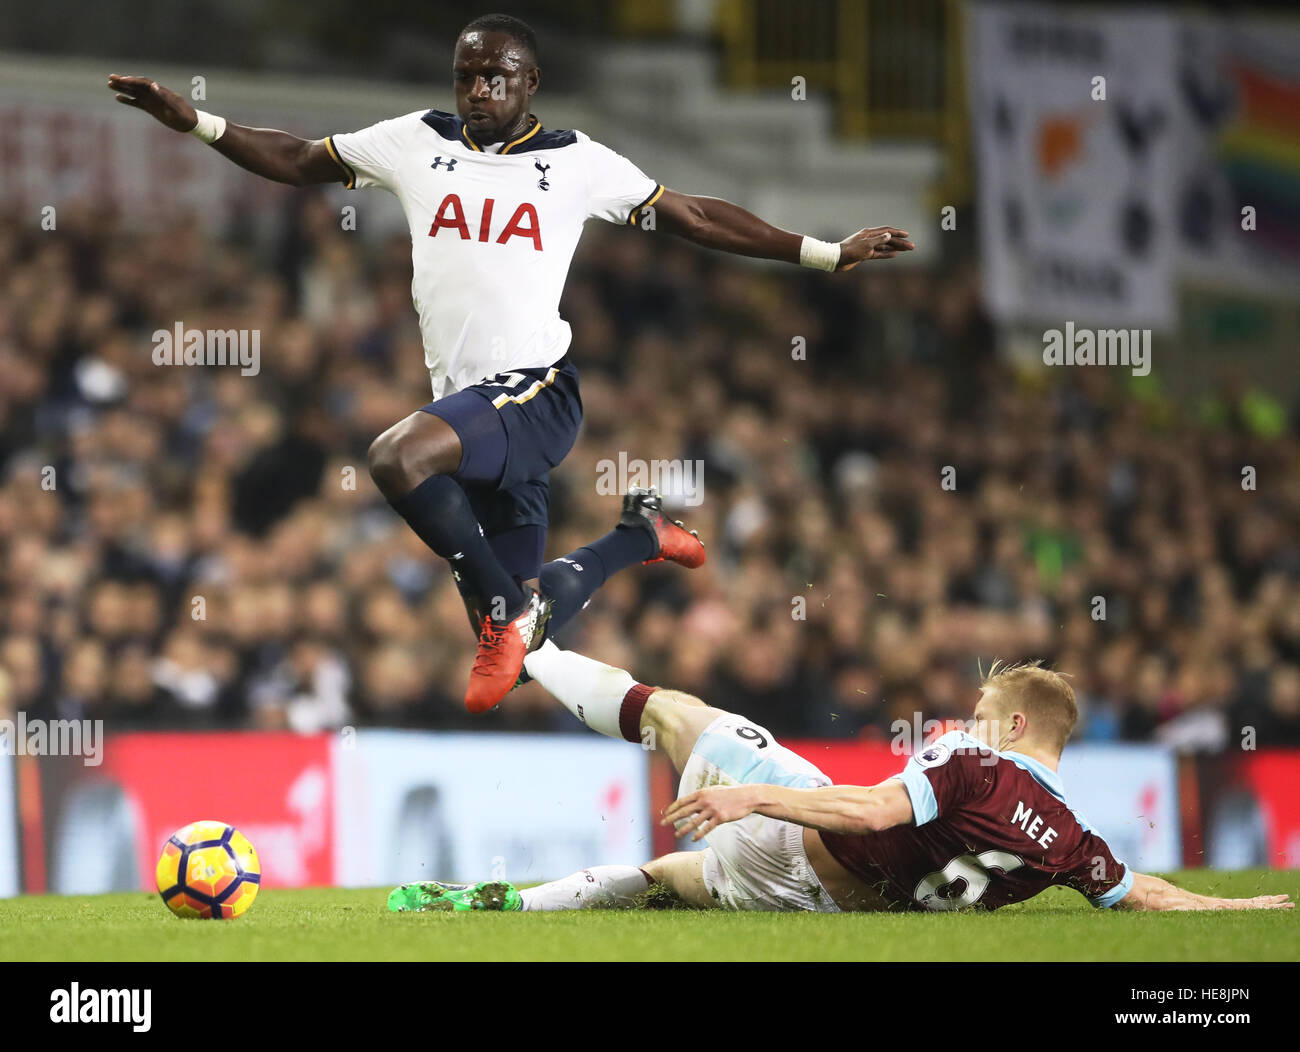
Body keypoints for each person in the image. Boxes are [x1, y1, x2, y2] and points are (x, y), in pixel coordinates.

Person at [107, 14, 912, 713]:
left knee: (396, 457)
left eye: (496, 76)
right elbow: (294, 158)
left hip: (535, 393)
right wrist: (196, 122)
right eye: (467, 75)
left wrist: (824, 253)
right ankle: (636, 538)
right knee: (526, 645)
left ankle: (504, 611)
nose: (478, 90)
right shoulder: (415, 142)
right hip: (472, 414)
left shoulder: (577, 161)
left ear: (532, 82)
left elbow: (696, 215)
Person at [389, 653, 1293, 913]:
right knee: (668, 879)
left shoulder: (970, 759)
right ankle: (502, 908)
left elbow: (869, 807)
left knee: (677, 713)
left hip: (796, 843)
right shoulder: (1068, 840)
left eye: (983, 709)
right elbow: (1143, 894)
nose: (968, 716)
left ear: (1015, 727)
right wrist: (1239, 909)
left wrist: (751, 795)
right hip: (833, 904)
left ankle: (531, 646)